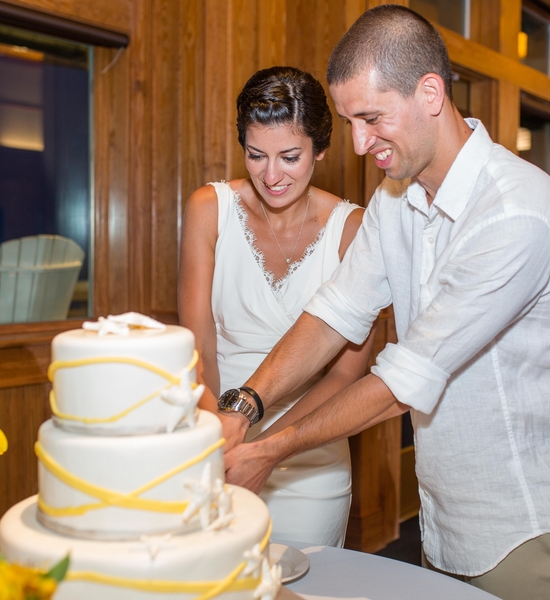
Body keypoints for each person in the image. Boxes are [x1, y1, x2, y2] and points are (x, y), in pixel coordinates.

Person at [221, 6, 550, 600]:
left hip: (522, 521)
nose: (357, 142)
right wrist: (243, 407)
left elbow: (408, 376)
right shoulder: (395, 196)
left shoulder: (515, 210)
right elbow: (335, 313)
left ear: (430, 92)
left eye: (371, 118)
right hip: (442, 512)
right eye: (350, 121)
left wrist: (271, 449)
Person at [178, 66, 373, 547]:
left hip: (311, 458)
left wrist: (265, 450)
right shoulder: (209, 208)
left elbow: (348, 374)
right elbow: (195, 344)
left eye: (289, 157)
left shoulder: (355, 229)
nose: (271, 175)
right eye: (255, 155)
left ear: (320, 150)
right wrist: (222, 437)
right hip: (217, 439)